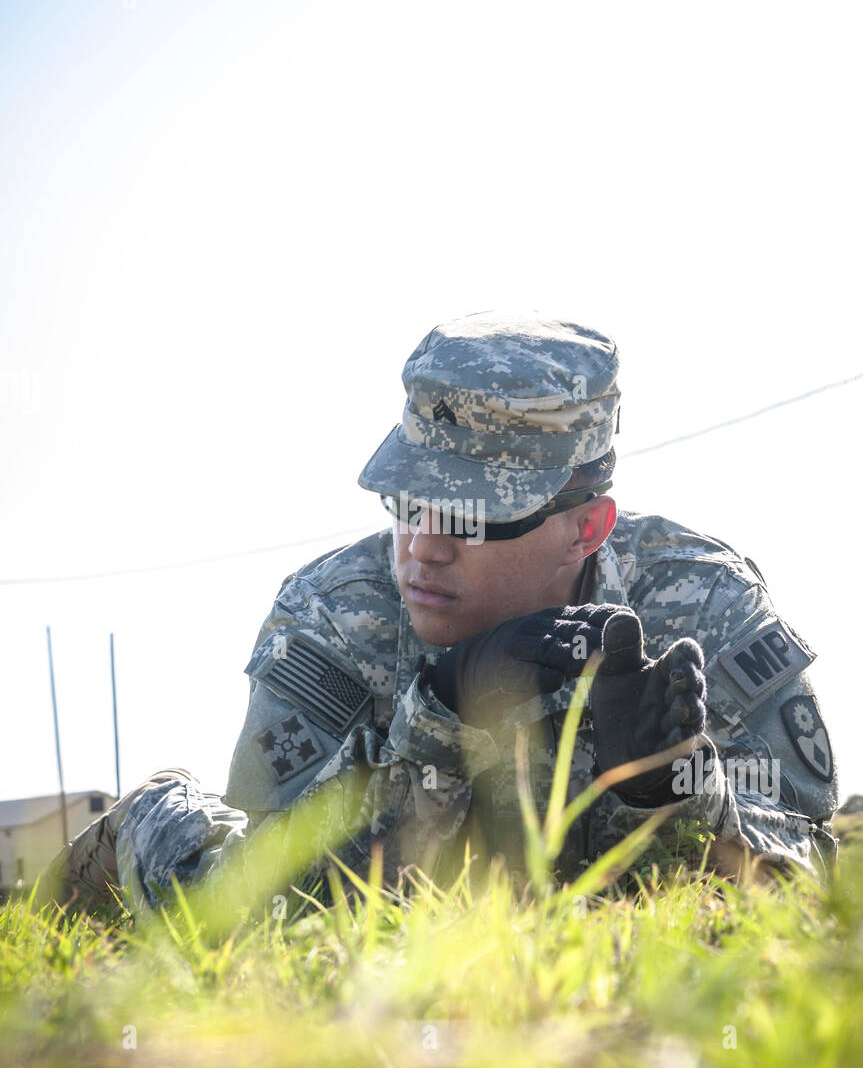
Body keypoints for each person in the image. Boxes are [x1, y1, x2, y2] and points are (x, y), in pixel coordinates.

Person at [43, 312, 839, 915]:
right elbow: (264, 899)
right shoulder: (333, 615)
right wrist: (441, 723)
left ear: (584, 528)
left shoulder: (700, 601)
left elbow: (810, 867)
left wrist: (673, 791)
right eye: (407, 502)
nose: (422, 547)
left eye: (474, 517)